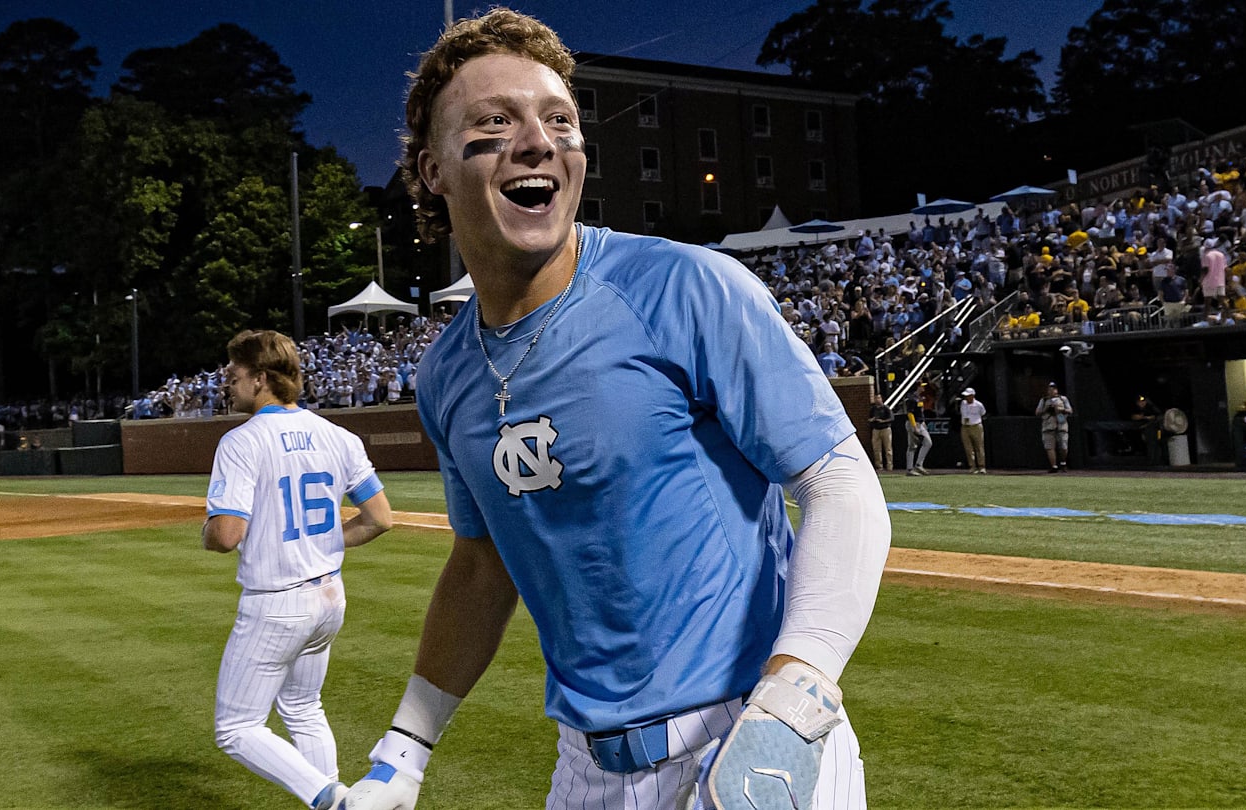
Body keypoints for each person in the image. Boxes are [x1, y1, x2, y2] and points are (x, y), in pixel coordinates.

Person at [342, 9, 890, 810]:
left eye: (559, 120)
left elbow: (841, 487)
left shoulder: (687, 287)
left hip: (749, 733)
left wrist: (791, 705)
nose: (538, 140)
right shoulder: (444, 375)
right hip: (586, 769)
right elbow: (484, 561)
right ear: (431, 170)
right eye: (496, 122)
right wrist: (404, 751)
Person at [203, 329, 394, 810]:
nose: (228, 384)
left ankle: (335, 799)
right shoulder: (340, 436)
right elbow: (379, 519)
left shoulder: (241, 441)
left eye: (235, 375)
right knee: (304, 708)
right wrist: (325, 541)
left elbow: (226, 536)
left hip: (276, 602)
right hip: (329, 596)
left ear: (261, 379)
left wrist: (205, 533)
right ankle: (336, 799)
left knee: (237, 728)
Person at [1037, 382, 1073, 472]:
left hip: (1061, 425)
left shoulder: (1063, 399)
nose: (1051, 391)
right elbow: (1037, 412)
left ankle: (1063, 463)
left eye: (1053, 389)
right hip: (1048, 425)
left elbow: (1070, 410)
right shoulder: (1044, 400)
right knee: (1050, 447)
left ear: (1057, 390)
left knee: (1064, 446)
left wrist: (1060, 409)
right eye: (1050, 389)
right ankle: (1054, 466)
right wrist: (1046, 409)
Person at [957, 387, 987, 473]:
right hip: (965, 427)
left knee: (979, 447)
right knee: (968, 448)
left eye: (968, 396)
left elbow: (983, 413)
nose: (966, 398)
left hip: (976, 426)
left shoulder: (979, 405)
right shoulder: (963, 403)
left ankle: (981, 466)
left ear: (972, 395)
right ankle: (972, 466)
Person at [904, 397, 932, 476]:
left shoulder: (919, 398)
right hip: (913, 423)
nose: (923, 388)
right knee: (912, 446)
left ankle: (919, 465)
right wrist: (914, 426)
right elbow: (910, 413)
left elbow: (920, 412)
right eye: (921, 385)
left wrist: (923, 421)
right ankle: (909, 469)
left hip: (920, 423)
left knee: (928, 442)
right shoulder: (912, 398)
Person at [868, 391, 894, 472]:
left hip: (885, 429)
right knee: (876, 449)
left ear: (881, 399)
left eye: (878, 398)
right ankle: (879, 466)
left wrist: (882, 421)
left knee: (888, 449)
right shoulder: (873, 409)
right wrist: (872, 420)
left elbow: (891, 418)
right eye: (875, 398)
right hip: (876, 429)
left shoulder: (886, 408)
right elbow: (869, 418)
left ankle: (889, 466)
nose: (877, 400)